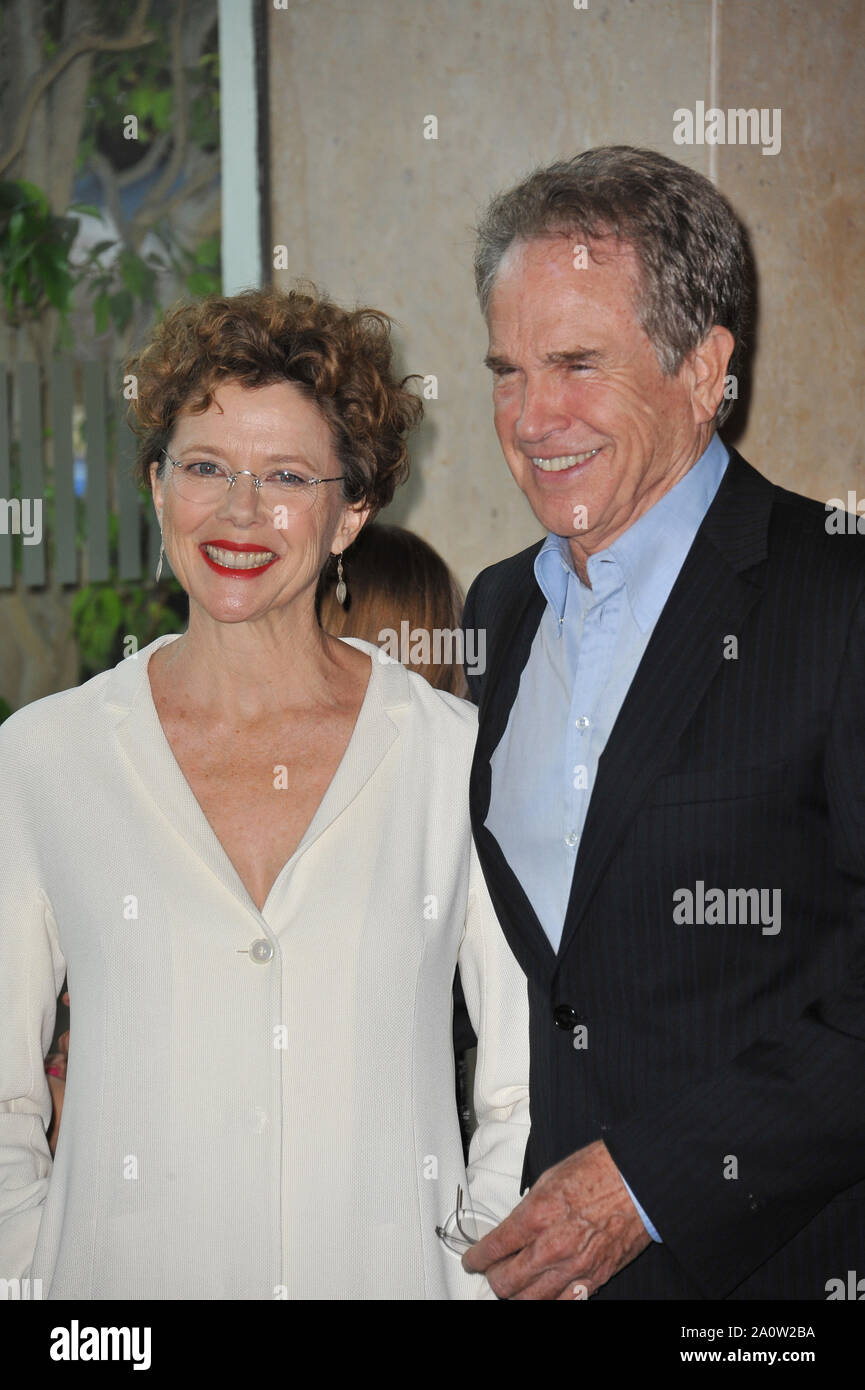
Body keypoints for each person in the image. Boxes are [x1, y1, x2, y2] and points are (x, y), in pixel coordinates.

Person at [0, 285, 529, 1300]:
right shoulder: (44, 760)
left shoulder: (453, 761)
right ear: (157, 487)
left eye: (286, 476)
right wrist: (35, 1276)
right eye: (204, 467)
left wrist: (468, 1281)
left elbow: (518, 1089)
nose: (239, 512)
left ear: (351, 512)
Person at [459, 145, 865, 1300]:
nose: (532, 418)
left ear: (704, 369)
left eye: (577, 363)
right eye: (505, 368)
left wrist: (645, 1183)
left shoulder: (837, 597)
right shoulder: (497, 609)